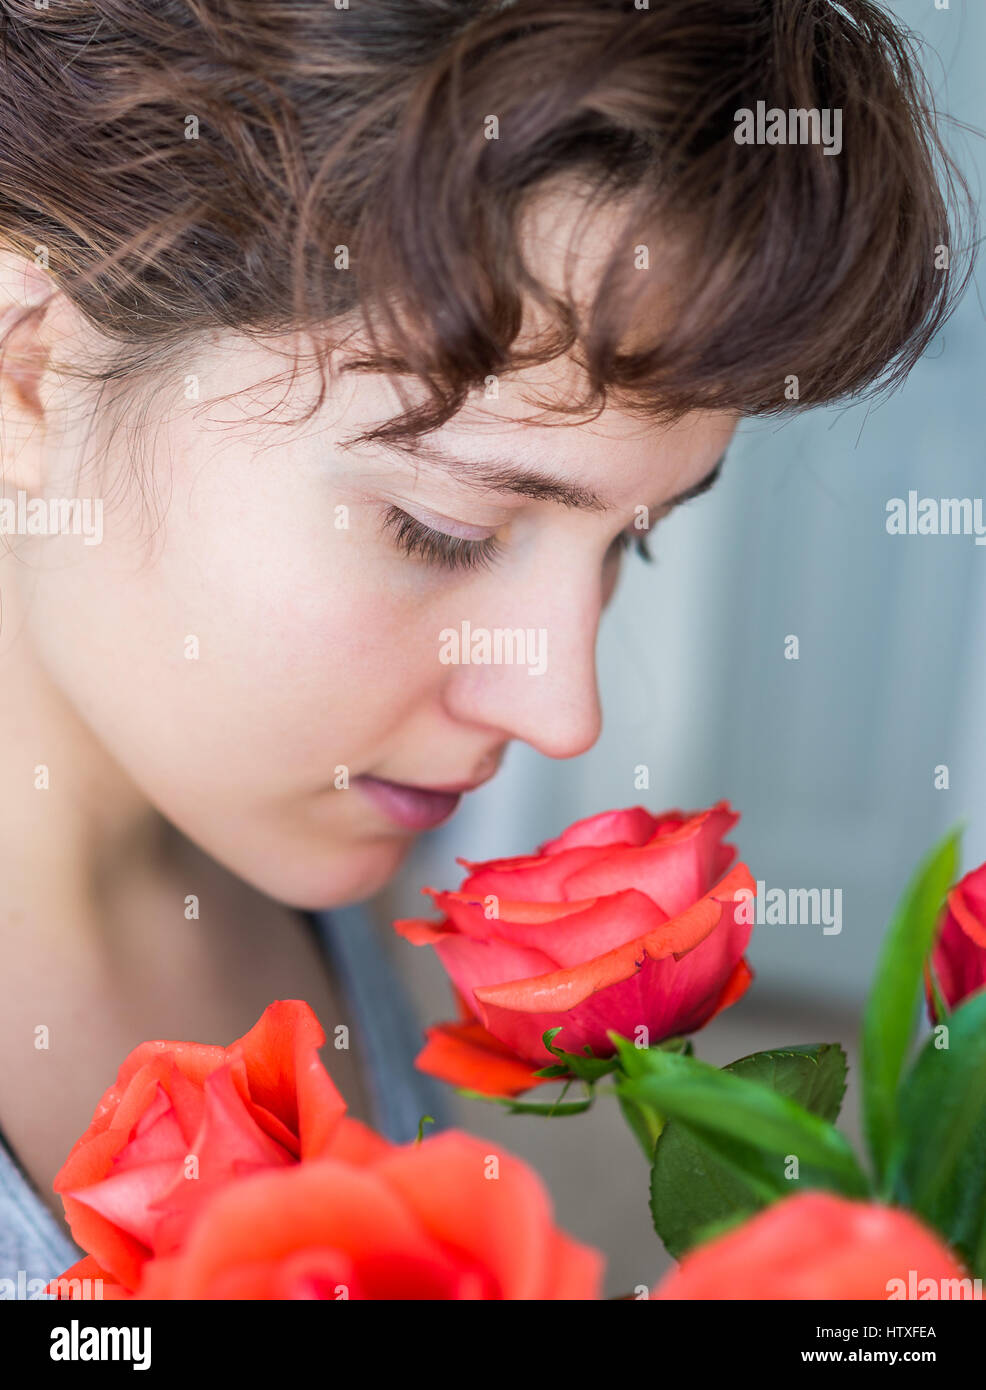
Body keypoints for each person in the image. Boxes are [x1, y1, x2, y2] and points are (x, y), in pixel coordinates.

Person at [0, 0, 971, 1291]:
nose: (564, 712)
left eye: (634, 540)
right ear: (28, 372)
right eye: (441, 529)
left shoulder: (321, 867)